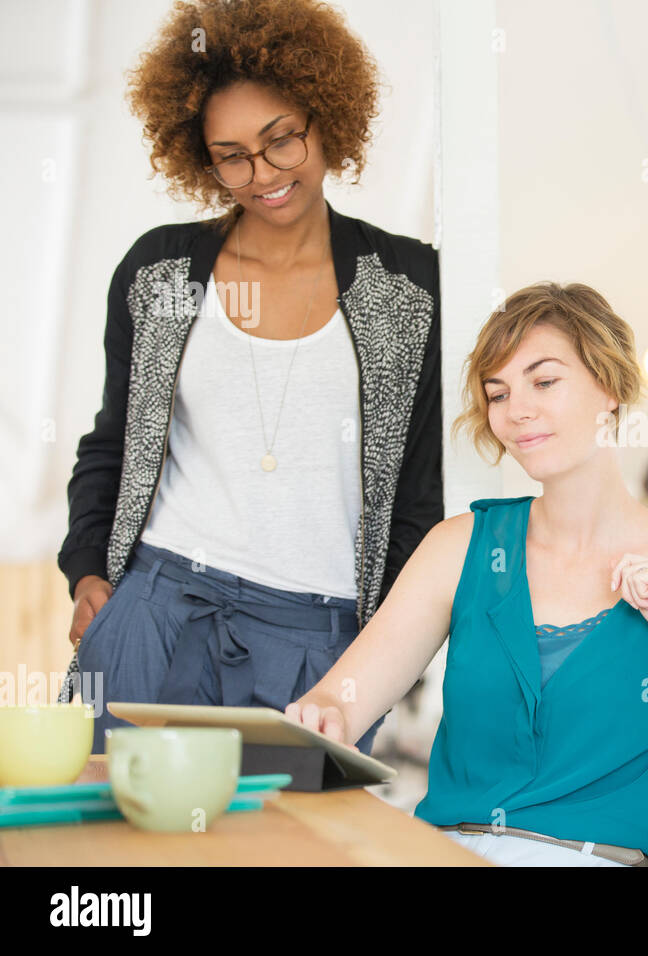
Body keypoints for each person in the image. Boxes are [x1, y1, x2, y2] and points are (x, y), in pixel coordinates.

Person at [284, 282, 648, 866]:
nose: (517, 409)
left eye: (544, 381)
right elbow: (344, 700)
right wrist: (324, 714)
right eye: (498, 392)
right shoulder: (460, 548)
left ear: (608, 386)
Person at [56, 0, 443, 756]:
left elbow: (418, 502)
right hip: (155, 611)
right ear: (202, 160)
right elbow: (111, 443)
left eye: (280, 140)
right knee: (119, 849)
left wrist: (378, 658)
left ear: (325, 120)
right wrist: (87, 575)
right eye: (231, 154)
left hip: (320, 643)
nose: (261, 174)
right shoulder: (159, 270)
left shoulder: (410, 286)